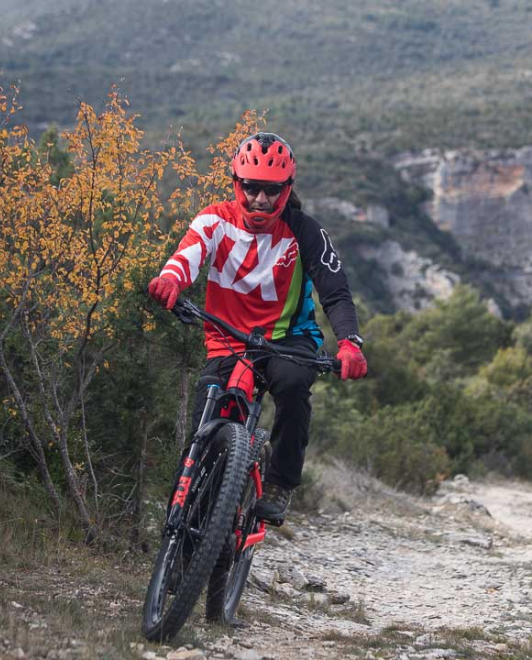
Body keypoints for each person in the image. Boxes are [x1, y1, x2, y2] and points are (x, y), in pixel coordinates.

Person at [147, 132, 367, 524]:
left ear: (286, 190)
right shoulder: (214, 219)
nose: (260, 199)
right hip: (226, 339)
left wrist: (349, 342)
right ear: (237, 184)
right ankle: (191, 520)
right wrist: (170, 280)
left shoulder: (306, 233)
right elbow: (188, 255)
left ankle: (280, 483)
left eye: (271, 190)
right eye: (251, 188)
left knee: (294, 385)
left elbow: (335, 292)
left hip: (286, 340)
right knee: (204, 426)